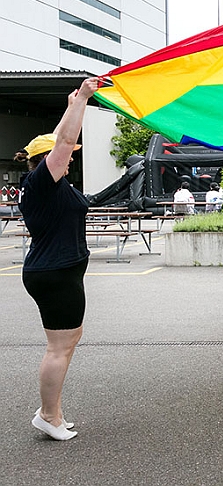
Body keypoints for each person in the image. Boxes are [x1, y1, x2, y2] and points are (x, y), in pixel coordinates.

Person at [15, 76, 100, 441]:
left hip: (61, 272)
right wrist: (82, 97)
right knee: (59, 346)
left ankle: (52, 411)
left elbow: (60, 140)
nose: (70, 158)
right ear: (45, 160)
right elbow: (63, 140)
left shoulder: (55, 186)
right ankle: (49, 416)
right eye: (65, 157)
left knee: (68, 340)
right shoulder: (41, 184)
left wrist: (71, 106)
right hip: (54, 274)